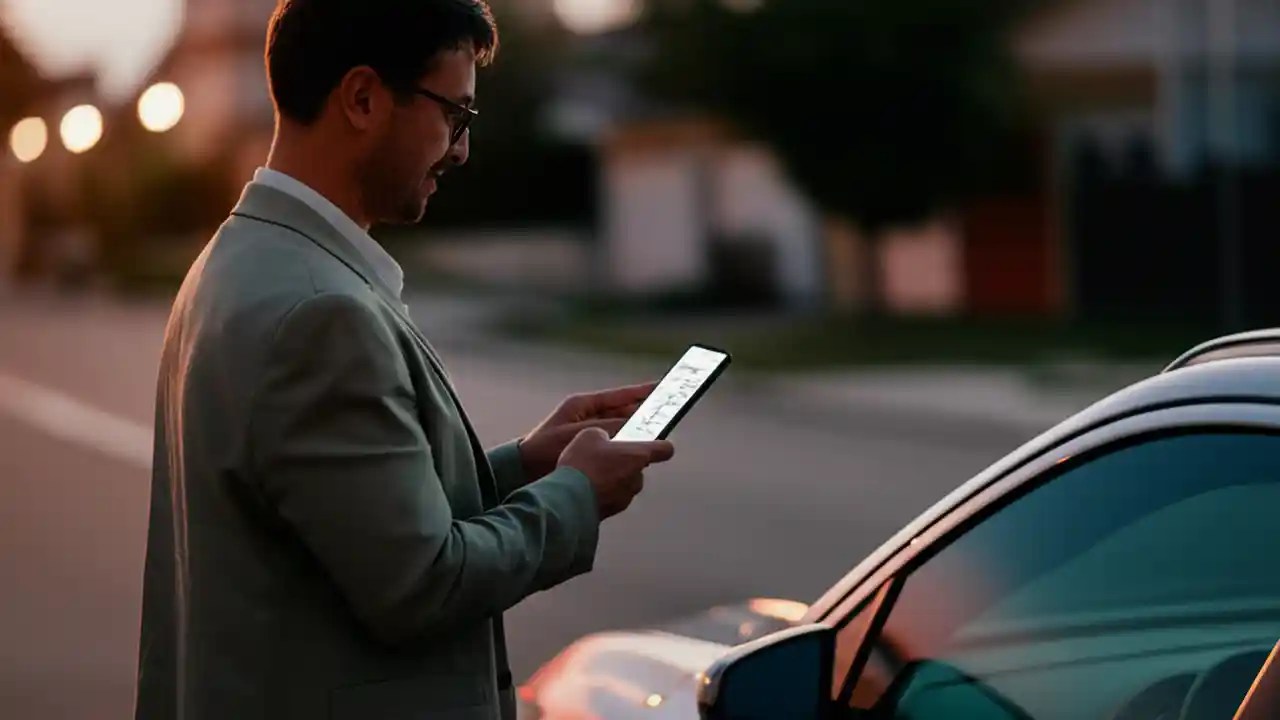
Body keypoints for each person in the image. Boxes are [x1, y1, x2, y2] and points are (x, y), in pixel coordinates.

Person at [132, 1, 674, 718]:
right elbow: (422, 583)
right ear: (362, 98)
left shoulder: (240, 260)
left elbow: (352, 523)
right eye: (456, 116)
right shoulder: (321, 313)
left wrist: (520, 466)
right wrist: (576, 494)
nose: (461, 151)